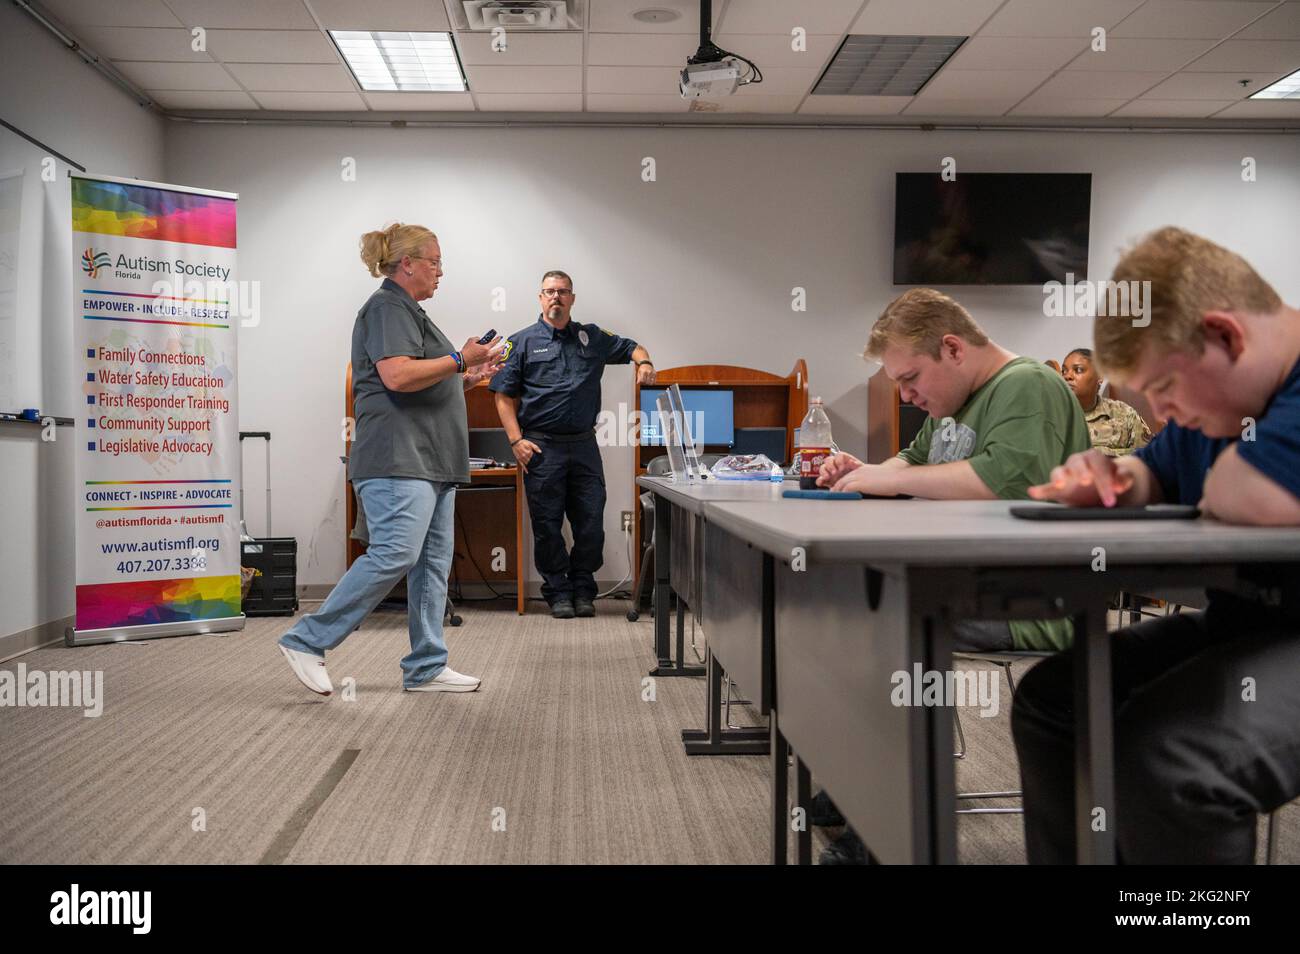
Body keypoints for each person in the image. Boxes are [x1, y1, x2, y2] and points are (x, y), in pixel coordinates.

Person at [1019, 226, 1300, 863]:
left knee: (1175, 759)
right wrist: (1111, 478)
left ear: (1226, 336)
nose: (1165, 411)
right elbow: (1156, 468)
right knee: (1054, 701)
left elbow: (1260, 494)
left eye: (1166, 389)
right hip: (1254, 623)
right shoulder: (1228, 401)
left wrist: (1224, 476)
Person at [809, 287, 1091, 863]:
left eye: (911, 378)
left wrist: (884, 482)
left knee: (891, 627)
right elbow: (912, 462)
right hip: (964, 584)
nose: (907, 395)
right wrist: (861, 471)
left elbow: (1004, 483)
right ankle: (854, 788)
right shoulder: (951, 406)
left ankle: (884, 829)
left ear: (954, 349)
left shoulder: (1028, 385)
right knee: (851, 607)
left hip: (1034, 602)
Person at [278, 223, 504, 696]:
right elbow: (398, 376)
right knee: (396, 553)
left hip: (432, 461)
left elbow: (421, 379)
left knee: (432, 563)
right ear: (408, 265)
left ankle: (425, 666)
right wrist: (460, 360)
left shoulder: (411, 313)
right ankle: (306, 640)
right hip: (398, 460)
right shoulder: (386, 307)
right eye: (435, 262)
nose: (441, 272)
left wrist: (468, 376)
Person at [489, 270, 656, 619]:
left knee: (590, 521)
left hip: (583, 447)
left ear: (572, 298)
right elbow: (503, 396)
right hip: (541, 447)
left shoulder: (590, 337)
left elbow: (631, 348)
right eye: (549, 291)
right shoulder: (520, 343)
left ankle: (583, 589)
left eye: (563, 292)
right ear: (540, 298)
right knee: (547, 524)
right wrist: (515, 440)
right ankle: (557, 592)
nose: (556, 297)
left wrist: (645, 362)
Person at [1060, 346, 1152, 455]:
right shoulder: (1053, 417)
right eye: (1064, 371)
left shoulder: (1123, 413)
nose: (1067, 376)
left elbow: (1149, 457)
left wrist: (1103, 454)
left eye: (1078, 370)